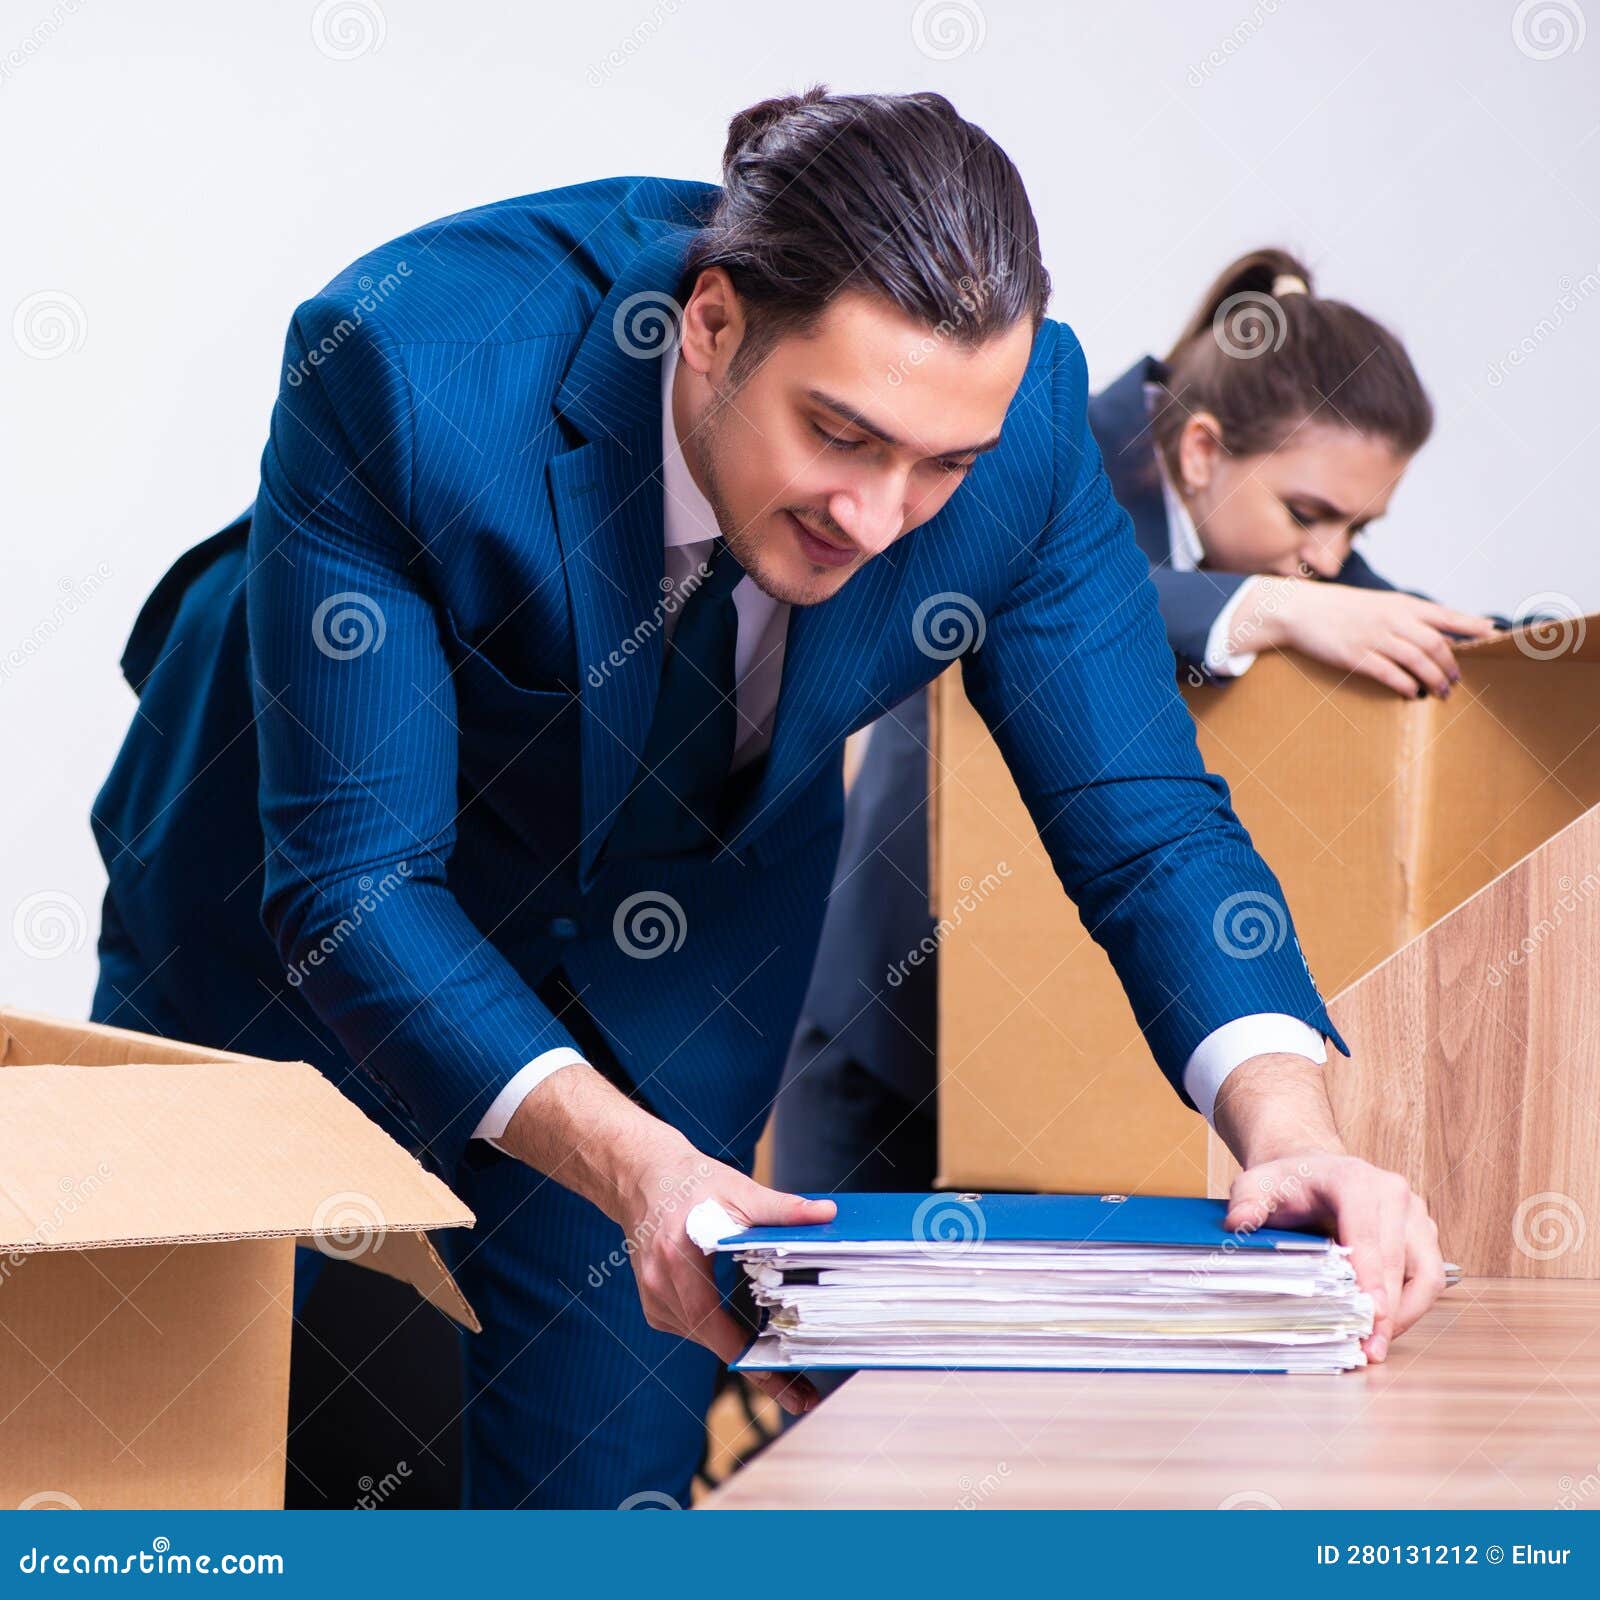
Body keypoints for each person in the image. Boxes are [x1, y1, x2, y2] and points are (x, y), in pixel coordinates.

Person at [89, 91, 1445, 1509]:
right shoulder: (408, 363)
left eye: (941, 465)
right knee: (221, 1467)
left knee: (603, 1492)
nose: (881, 516)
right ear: (714, 324)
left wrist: (1293, 1134)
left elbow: (1145, 820)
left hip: (673, 946)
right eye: (841, 436)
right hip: (291, 931)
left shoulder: (1023, 434)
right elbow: (357, 886)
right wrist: (617, 1155)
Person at [773, 246, 1507, 1214]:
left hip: (1074, 1059)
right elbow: (1055, 600)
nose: (1326, 559)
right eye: (1310, 514)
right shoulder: (1036, 447)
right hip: (893, 1024)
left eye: (1355, 531)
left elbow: (1371, 611)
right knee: (829, 1350)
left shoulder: (1291, 547)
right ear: (1200, 451)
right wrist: (1263, 608)